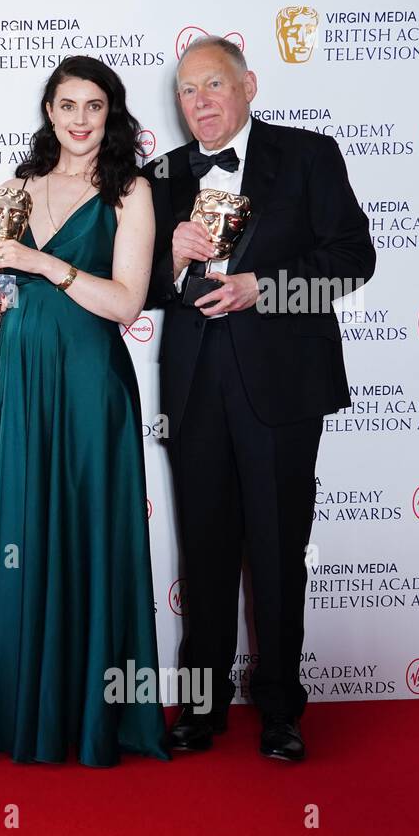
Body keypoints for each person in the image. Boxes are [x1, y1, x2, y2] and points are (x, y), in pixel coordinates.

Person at [142, 37, 374, 761]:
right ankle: (202, 709)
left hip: (281, 386)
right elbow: (136, 287)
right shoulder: (161, 175)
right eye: (187, 90)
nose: (200, 101)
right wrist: (171, 260)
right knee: (204, 552)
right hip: (194, 386)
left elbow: (351, 259)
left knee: (276, 551)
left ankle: (280, 708)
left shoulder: (308, 155)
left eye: (213, 84)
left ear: (249, 85)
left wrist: (260, 288)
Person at [0, 56, 169, 767]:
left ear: (111, 116)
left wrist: (45, 263)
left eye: (95, 107)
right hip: (22, 375)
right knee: (25, 528)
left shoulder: (130, 190)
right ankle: (26, 710)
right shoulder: (15, 187)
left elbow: (126, 302)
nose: (80, 120)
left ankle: (92, 718)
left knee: (88, 532)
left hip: (88, 382)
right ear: (49, 111)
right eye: (67, 105)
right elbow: (3, 290)